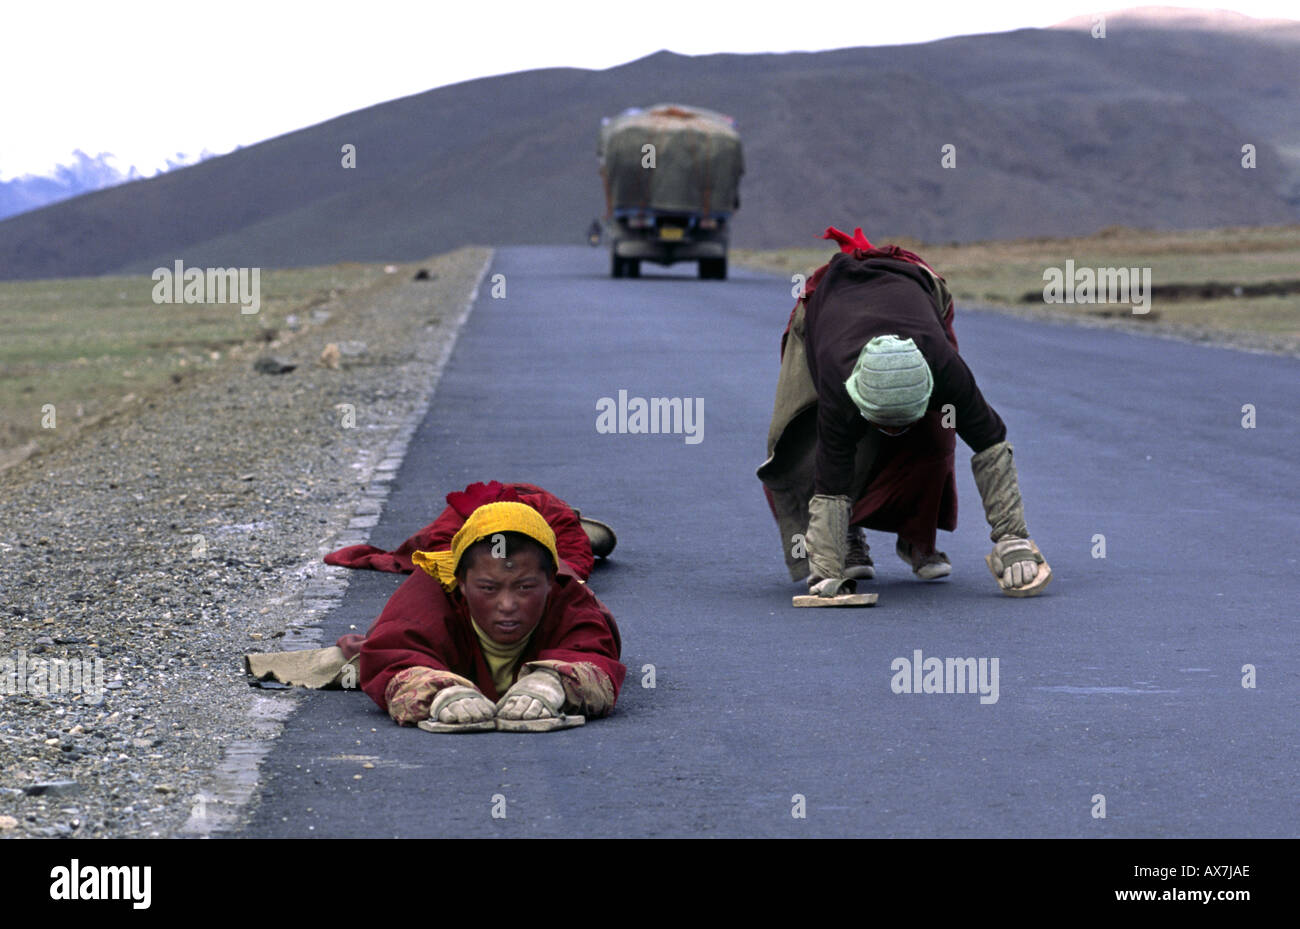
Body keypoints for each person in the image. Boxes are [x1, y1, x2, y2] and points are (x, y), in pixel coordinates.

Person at [757, 226, 1050, 597]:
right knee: (802, 443)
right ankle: (844, 538)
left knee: (933, 439)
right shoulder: (838, 377)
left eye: (899, 423)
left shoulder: (945, 367)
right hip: (826, 307)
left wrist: (1014, 540)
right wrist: (827, 573)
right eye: (883, 422)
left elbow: (990, 442)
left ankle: (916, 537)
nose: (891, 433)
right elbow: (830, 476)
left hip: (917, 291)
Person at [338, 481, 626, 728]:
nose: (507, 605)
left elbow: (595, 651)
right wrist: (441, 692)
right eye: (488, 588)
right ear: (461, 581)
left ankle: (575, 531)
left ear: (551, 579)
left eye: (525, 587)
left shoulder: (569, 596)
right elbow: (394, 651)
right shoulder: (432, 593)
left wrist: (552, 683)